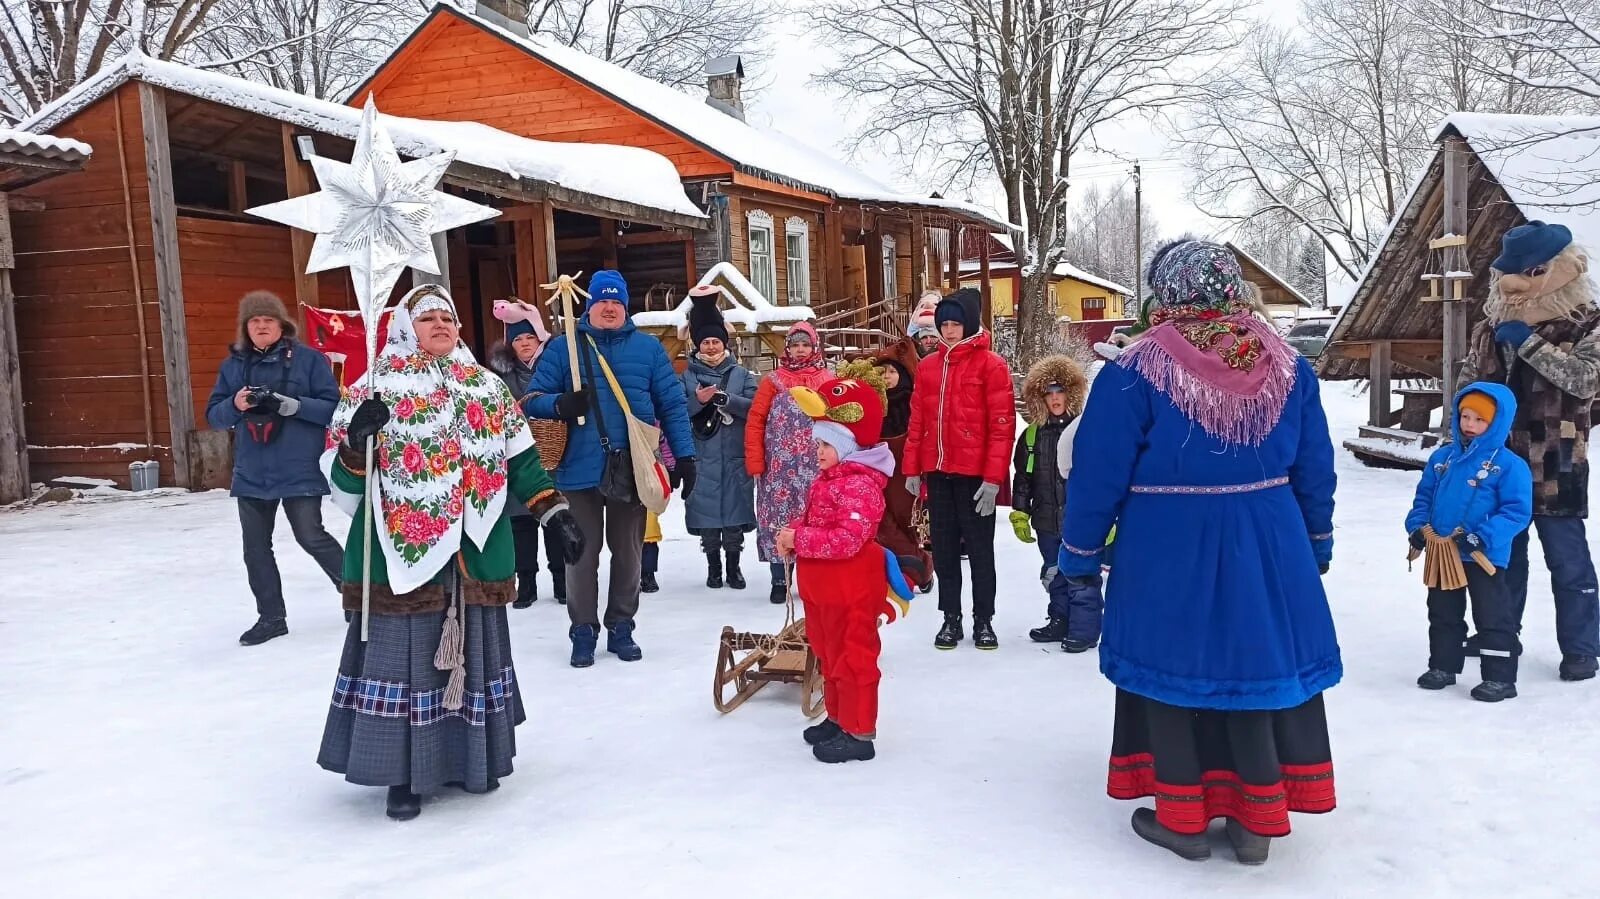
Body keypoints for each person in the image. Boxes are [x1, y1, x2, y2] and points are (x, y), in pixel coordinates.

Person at [1058, 240, 1339, 865]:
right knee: (1254, 661)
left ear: (1167, 292)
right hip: (1269, 537)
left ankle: (1185, 818)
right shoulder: (1287, 364)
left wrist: (1078, 554)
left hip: (1169, 541)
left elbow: (1098, 472)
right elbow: (1315, 466)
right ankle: (1254, 823)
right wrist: (1315, 540)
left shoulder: (1137, 369)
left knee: (1176, 662)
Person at [315, 285, 585, 821]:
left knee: (474, 657)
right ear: (404, 328)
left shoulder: (486, 388)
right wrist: (355, 441)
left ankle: (471, 759)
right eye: (428, 318)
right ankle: (401, 775)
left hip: (474, 544)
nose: (441, 325)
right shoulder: (374, 389)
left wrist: (553, 510)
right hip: (400, 549)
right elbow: (343, 483)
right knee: (405, 661)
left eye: (449, 317)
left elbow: (521, 460)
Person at [525, 269, 696, 667]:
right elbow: (531, 400)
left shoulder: (649, 350)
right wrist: (559, 405)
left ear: (625, 307)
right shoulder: (563, 348)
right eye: (602, 301)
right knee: (580, 556)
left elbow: (672, 405)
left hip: (631, 468)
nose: (609, 308)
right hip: (577, 469)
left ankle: (622, 625)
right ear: (589, 306)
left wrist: (685, 457)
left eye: (616, 302)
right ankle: (582, 630)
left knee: (629, 554)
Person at [1458, 221, 1600, 682]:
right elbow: (1466, 386)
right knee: (1500, 554)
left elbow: (1586, 380)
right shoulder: (1491, 324)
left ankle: (1582, 648)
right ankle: (1500, 633)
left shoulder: (1588, 321)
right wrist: (1457, 442)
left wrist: (1530, 344)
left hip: (1558, 459)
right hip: (1498, 463)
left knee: (1567, 559)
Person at [204, 290, 344, 646]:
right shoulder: (233, 366)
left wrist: (293, 406)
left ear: (283, 325)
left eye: (268, 320)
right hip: (252, 471)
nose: (262, 326)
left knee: (311, 536)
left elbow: (333, 409)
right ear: (246, 328)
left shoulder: (310, 361)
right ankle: (271, 618)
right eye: (255, 321)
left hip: (299, 466)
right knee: (255, 548)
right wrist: (235, 403)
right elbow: (214, 416)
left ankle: (359, 599)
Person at [778, 376, 895, 763]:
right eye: (818, 443)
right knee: (829, 654)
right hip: (825, 591)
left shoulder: (860, 485)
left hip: (851, 591)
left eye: (826, 444)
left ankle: (859, 732)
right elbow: (815, 520)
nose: (818, 451)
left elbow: (847, 538)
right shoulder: (830, 481)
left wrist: (801, 539)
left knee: (854, 657)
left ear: (846, 447)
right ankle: (839, 717)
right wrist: (794, 529)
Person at [902, 288, 1014, 650]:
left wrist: (993, 480)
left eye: (955, 324)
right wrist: (913, 468)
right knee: (945, 550)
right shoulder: (929, 366)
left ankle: (984, 619)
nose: (948, 331)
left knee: (981, 551)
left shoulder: (991, 365)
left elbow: (1002, 425)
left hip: (975, 477)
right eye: (944, 324)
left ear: (968, 325)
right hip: (938, 474)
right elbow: (917, 420)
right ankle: (951, 617)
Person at [1406, 383, 1532, 702]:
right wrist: (1418, 526)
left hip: (1482, 555)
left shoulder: (1509, 465)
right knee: (1443, 610)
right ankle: (1443, 666)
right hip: (1443, 553)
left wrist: (1486, 536)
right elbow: (1424, 498)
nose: (1470, 425)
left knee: (1492, 614)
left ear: (1495, 424)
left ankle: (1500, 677)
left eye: (1479, 420)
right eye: (1465, 417)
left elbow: (1517, 511)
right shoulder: (1442, 458)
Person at [1009, 354, 1100, 652]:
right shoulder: (1032, 436)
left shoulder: (1086, 431)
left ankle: (1084, 629)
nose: (1055, 398)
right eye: (1049, 394)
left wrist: (1108, 518)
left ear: (1070, 394)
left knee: (1082, 574)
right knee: (1054, 573)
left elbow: (1103, 477)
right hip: (1046, 519)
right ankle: (1059, 620)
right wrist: (1020, 512)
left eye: (1060, 392)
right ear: (1041, 399)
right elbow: (1023, 478)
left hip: (1080, 518)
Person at [747, 321, 832, 604]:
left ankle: (813, 578)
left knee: (813, 519)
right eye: (795, 345)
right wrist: (756, 462)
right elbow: (756, 422)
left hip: (816, 465)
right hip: (778, 468)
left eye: (805, 344)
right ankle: (780, 578)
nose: (799, 350)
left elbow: (838, 421)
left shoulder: (827, 379)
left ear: (814, 346)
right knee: (779, 520)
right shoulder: (773, 380)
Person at [487, 304, 566, 608]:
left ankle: (560, 580)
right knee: (521, 524)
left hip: (552, 455)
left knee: (554, 517)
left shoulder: (553, 369)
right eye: (518, 340)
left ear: (539, 340)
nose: (524, 344)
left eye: (530, 338)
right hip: (517, 458)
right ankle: (527, 583)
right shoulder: (499, 377)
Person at [680, 296, 758, 590]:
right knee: (708, 518)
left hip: (734, 456)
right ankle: (713, 568)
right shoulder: (687, 378)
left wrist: (728, 400)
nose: (711, 347)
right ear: (697, 346)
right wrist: (697, 401)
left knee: (734, 517)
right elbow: (676, 411)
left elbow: (754, 407)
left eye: (716, 341)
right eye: (705, 342)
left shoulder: (741, 375)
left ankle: (734, 568)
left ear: (725, 344)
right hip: (702, 456)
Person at [868, 310, 938, 592]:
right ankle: (911, 566)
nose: (886, 377)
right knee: (883, 523)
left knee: (909, 522)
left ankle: (918, 567)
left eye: (892, 371)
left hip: (908, 473)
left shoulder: (914, 403)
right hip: (881, 474)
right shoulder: (873, 406)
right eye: (881, 372)